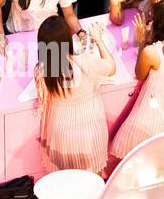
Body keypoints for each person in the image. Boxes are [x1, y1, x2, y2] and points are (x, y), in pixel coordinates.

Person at [111, 0, 164, 157]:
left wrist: (143, 40)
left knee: (141, 150)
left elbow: (140, 75)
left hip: (156, 110)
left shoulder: (152, 52)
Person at [36, 15, 115, 175]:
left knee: (66, 177)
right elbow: (111, 67)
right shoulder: (85, 62)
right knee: (93, 176)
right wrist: (98, 40)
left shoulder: (42, 71)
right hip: (90, 128)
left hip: (61, 130)